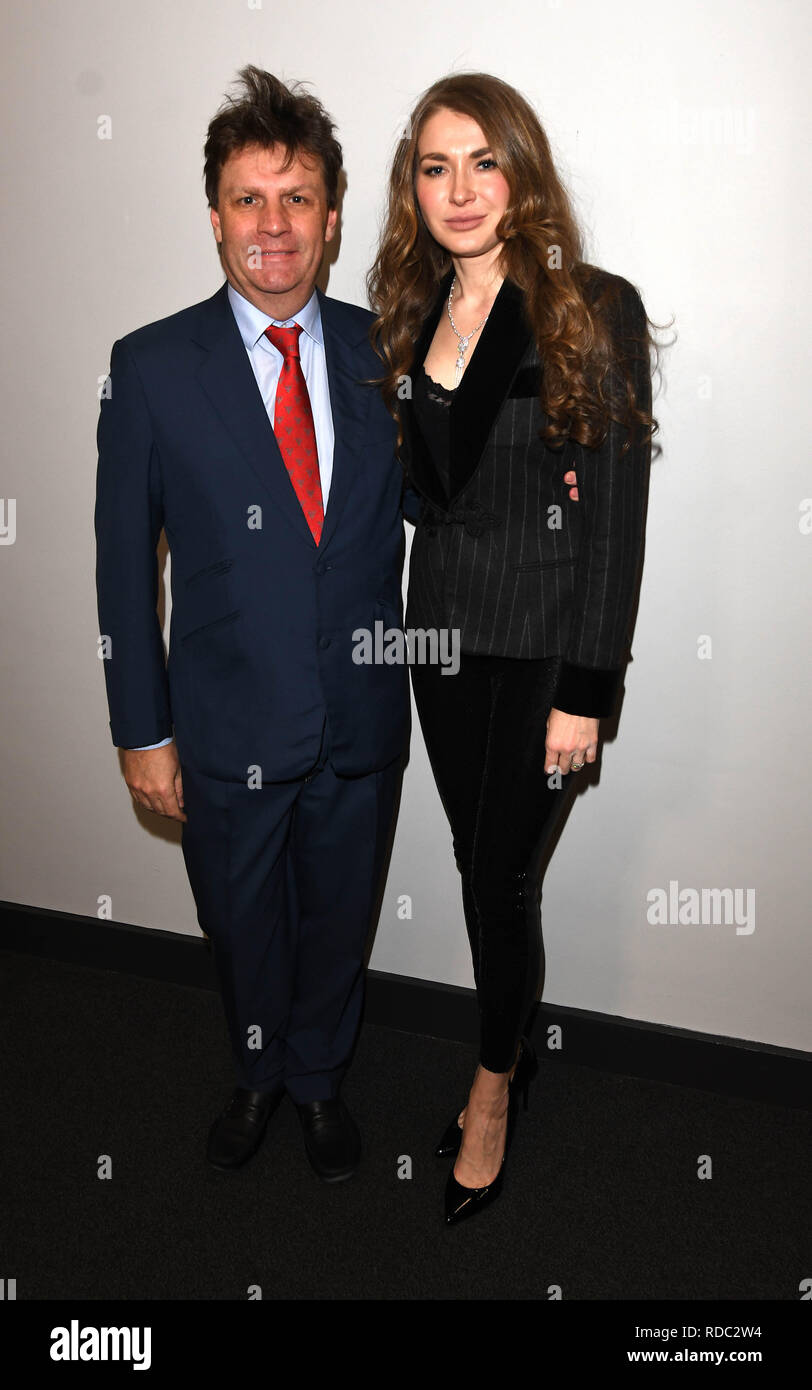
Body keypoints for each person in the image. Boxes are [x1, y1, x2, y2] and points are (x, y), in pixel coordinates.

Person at [94, 66, 416, 1183]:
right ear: (216, 215)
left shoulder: (391, 357)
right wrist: (142, 729)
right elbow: (120, 565)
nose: (271, 226)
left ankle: (319, 1080)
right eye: (247, 198)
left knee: (338, 921)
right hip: (221, 725)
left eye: (296, 199)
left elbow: (450, 509)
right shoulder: (148, 369)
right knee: (240, 928)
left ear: (331, 219)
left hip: (360, 720)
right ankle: (254, 1072)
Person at [368, 72, 657, 1224]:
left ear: (519, 169)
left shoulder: (591, 306)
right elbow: (414, 497)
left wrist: (587, 689)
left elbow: (613, 517)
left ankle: (493, 1083)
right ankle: (504, 1050)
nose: (459, 188)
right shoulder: (404, 315)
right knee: (475, 864)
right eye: (434, 167)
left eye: (481, 160)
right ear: (413, 189)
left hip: (544, 646)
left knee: (496, 872)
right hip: (436, 630)